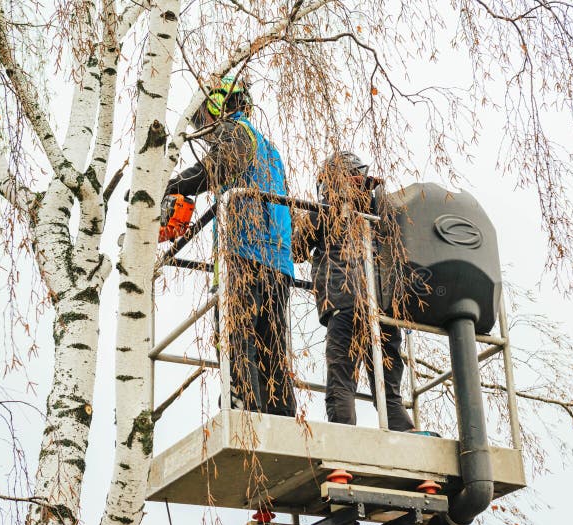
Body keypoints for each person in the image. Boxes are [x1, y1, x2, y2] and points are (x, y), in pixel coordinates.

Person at [164, 76, 296, 417]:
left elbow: (216, 168)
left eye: (202, 119)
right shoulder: (270, 149)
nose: (203, 129)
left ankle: (245, 417)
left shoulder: (235, 131)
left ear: (218, 107)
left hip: (245, 253)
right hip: (277, 260)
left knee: (238, 341)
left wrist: (168, 185)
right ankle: (280, 421)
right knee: (273, 348)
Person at [293, 151, 414, 431]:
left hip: (344, 303)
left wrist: (292, 220)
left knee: (342, 379)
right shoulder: (382, 211)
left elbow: (297, 250)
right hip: (382, 307)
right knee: (388, 388)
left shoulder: (326, 209)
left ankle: (343, 447)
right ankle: (410, 445)